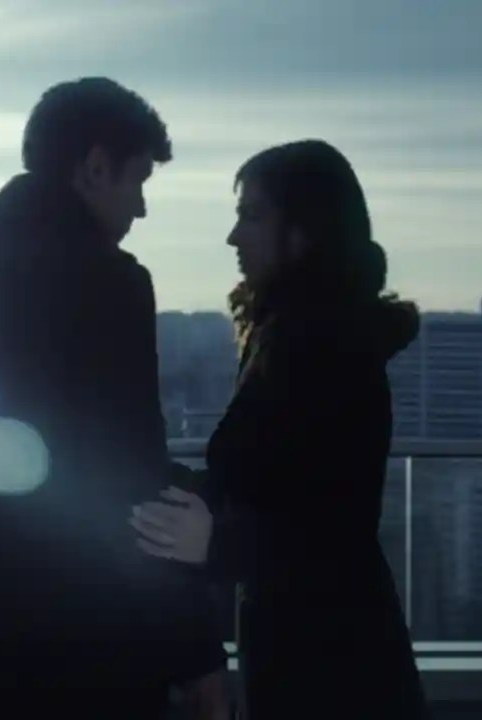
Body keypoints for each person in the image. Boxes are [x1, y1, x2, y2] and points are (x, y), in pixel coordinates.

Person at [0, 77, 227, 719]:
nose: (140, 209)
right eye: (137, 181)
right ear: (93, 167)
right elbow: (134, 478)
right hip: (92, 633)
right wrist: (195, 650)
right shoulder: (112, 285)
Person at [130, 140, 430, 718]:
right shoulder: (300, 334)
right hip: (324, 649)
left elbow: (331, 525)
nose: (232, 237)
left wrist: (217, 541)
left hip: (330, 665)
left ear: (305, 229)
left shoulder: (319, 346)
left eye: (251, 215)